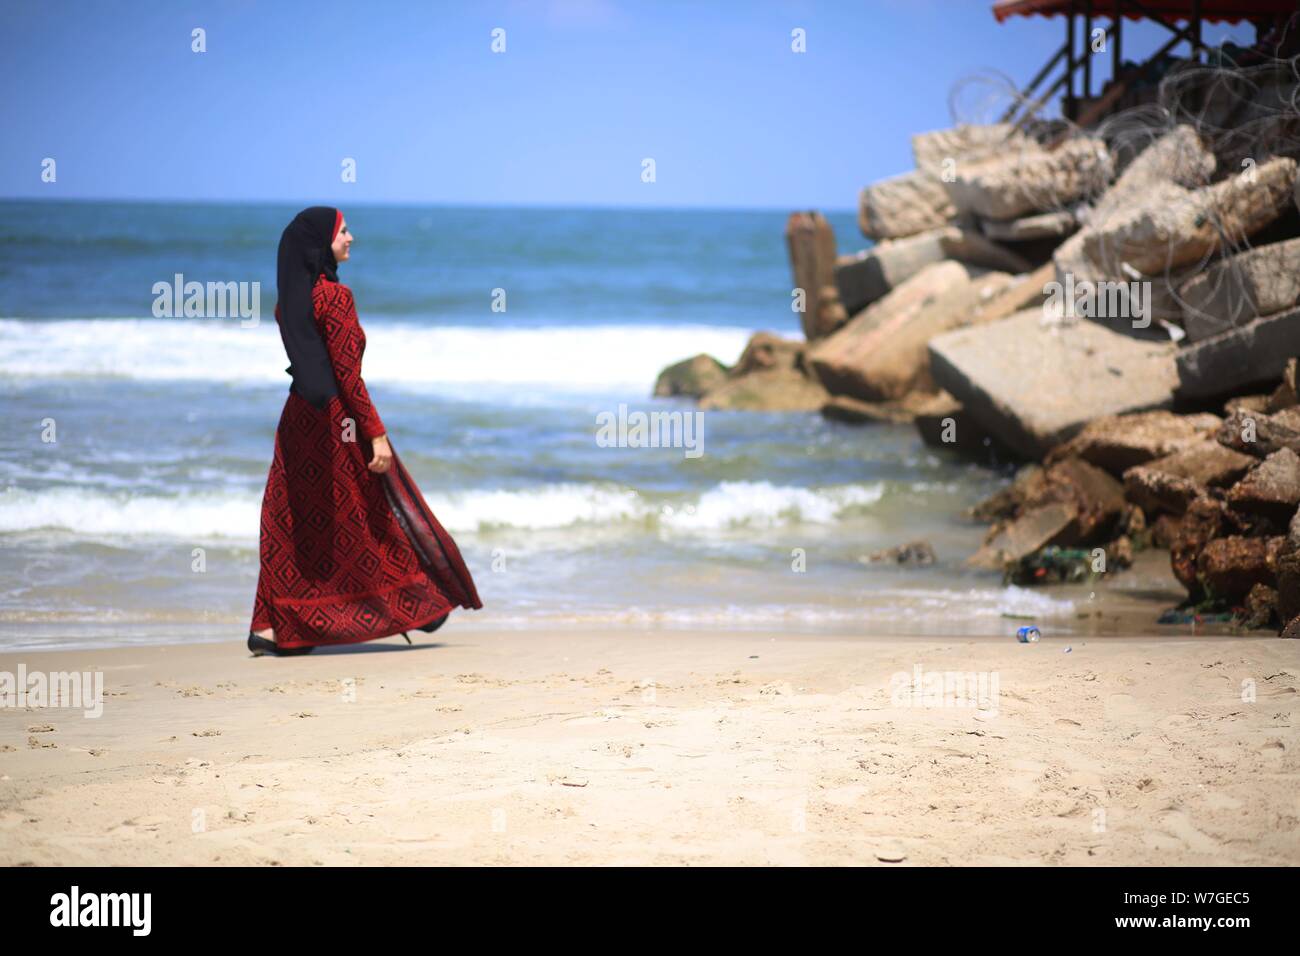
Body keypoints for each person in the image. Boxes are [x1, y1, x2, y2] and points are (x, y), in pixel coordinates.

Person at [247, 206, 481, 656]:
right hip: (339, 421)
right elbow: (347, 376)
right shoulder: (335, 299)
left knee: (292, 520)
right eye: (343, 231)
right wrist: (374, 432)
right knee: (373, 510)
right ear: (322, 243)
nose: (351, 237)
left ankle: (274, 627)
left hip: (298, 417)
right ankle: (420, 602)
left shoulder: (289, 302)